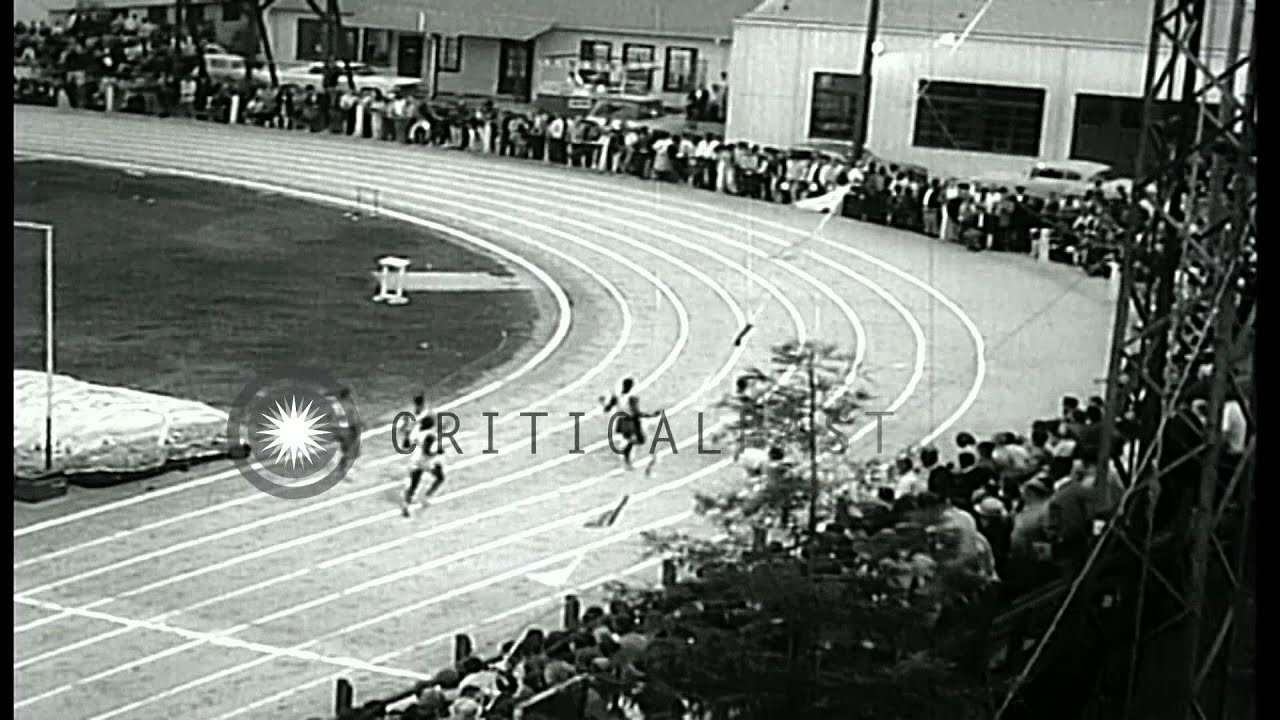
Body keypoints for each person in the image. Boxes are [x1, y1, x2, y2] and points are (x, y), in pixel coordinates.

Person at [600, 378, 661, 475]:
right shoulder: (632, 398)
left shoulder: (617, 396)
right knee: (641, 440)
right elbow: (636, 412)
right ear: (631, 386)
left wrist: (604, 403)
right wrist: (651, 415)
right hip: (632, 421)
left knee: (630, 439)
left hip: (621, 422)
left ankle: (626, 457)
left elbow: (607, 408)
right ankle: (626, 454)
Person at [402, 412, 446, 518]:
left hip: (418, 461)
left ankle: (409, 504)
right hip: (424, 462)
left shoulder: (417, 431)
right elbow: (428, 451)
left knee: (415, 485)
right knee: (438, 478)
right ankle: (423, 498)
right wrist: (437, 451)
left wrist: (407, 434)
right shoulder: (429, 436)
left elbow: (406, 445)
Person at [335, 387, 361, 479]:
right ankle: (344, 470)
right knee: (349, 452)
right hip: (349, 430)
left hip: (341, 430)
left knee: (343, 450)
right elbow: (355, 419)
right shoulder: (351, 405)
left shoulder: (337, 405)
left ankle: (341, 469)